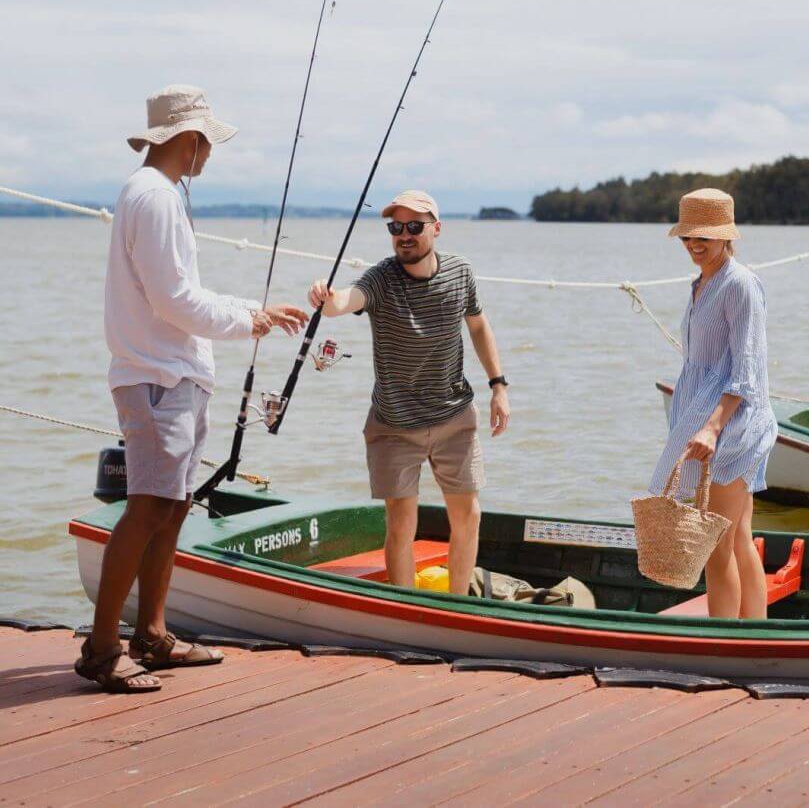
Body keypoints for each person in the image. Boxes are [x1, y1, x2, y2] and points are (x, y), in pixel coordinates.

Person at [76, 84, 309, 693]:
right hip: (157, 377)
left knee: (173, 505)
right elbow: (173, 299)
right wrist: (248, 322)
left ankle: (151, 636)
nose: (210, 153)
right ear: (190, 139)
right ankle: (103, 649)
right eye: (207, 140)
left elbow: (179, 292)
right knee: (149, 506)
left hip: (174, 373)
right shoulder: (154, 197)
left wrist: (255, 309)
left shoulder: (158, 193)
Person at [308, 190, 509, 595]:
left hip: (454, 415)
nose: (405, 235)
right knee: (401, 523)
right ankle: (405, 611)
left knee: (468, 516)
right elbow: (348, 300)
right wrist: (328, 299)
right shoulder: (381, 278)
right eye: (396, 227)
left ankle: (458, 607)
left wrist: (498, 386)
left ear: (436, 228)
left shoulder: (460, 272)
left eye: (414, 226)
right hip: (394, 423)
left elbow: (479, 326)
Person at [648, 188, 778, 619]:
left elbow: (745, 368)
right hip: (707, 417)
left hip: (731, 424)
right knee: (737, 536)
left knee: (716, 543)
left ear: (726, 236)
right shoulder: (702, 281)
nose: (694, 245)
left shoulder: (739, 284)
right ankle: (754, 637)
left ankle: (724, 641)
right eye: (687, 237)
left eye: (704, 236)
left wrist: (712, 427)